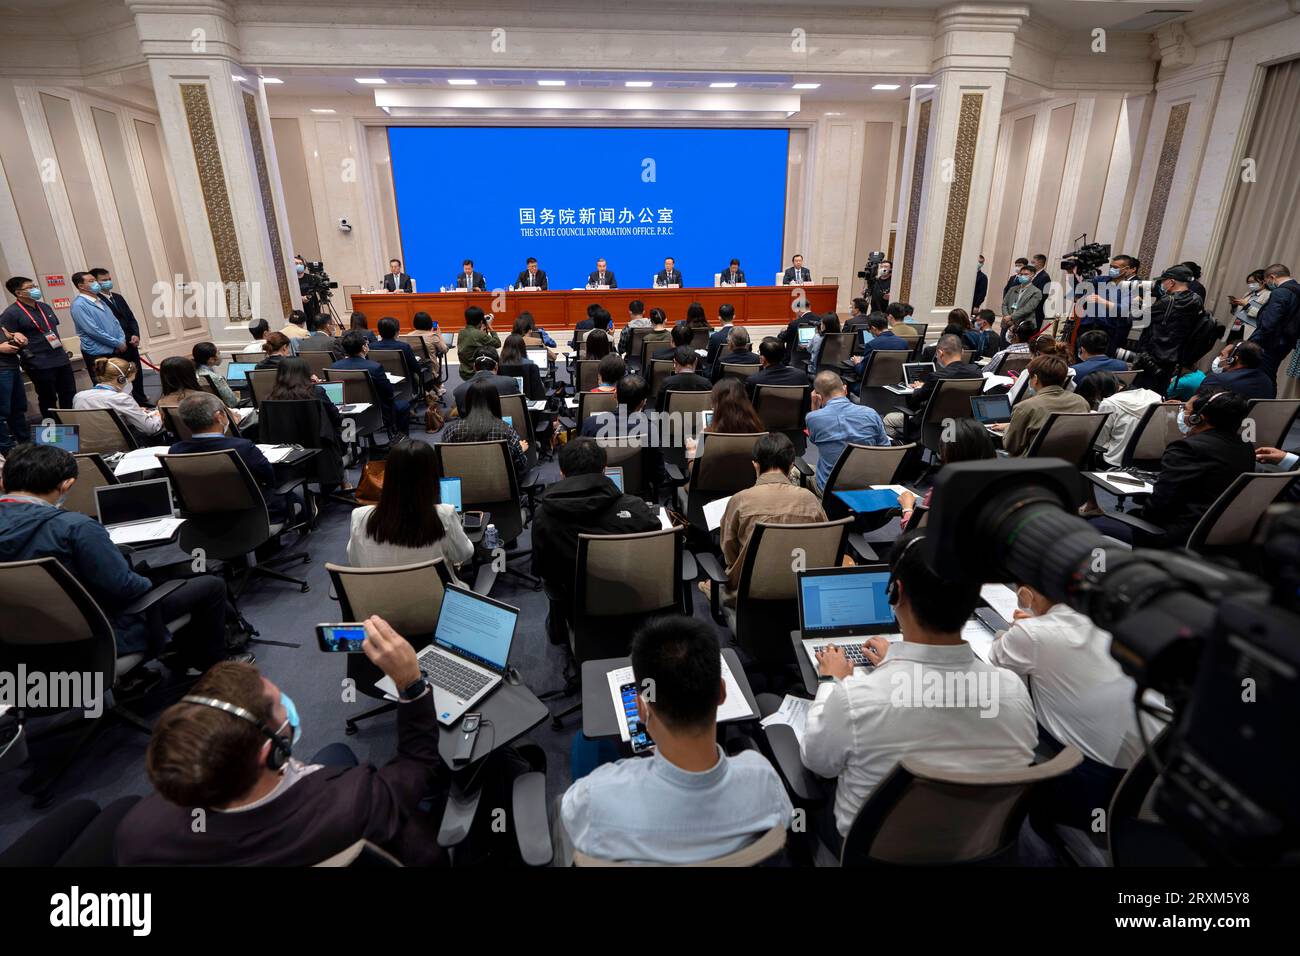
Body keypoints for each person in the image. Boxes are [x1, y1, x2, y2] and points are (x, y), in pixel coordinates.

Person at [114, 618, 444, 866]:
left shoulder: (137, 833)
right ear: (266, 753)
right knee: (339, 755)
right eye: (277, 703)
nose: (287, 702)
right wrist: (411, 684)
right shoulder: (358, 799)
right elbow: (417, 763)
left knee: (337, 753)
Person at [797, 530, 1037, 850]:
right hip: (976, 850)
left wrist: (832, 682)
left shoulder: (855, 698)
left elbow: (816, 761)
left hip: (874, 853)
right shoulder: (1013, 691)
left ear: (896, 593)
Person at [558, 615, 791, 865]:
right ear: (721, 693)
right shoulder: (766, 782)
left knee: (585, 744)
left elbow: (571, 827)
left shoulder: (593, 799)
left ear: (642, 709)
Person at [0, 442, 237, 670]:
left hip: (15, 641)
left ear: (4, 482)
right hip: (99, 634)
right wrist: (151, 581)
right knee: (209, 585)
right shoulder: (75, 527)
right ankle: (215, 665)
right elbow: (126, 589)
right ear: (66, 485)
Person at [988, 584, 1156, 830]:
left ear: (1025, 595)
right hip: (1147, 777)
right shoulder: (1112, 618)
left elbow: (997, 655)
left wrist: (1017, 630)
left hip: (1091, 787)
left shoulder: (1032, 633)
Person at [1089, 386, 1255, 546]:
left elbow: (1158, 509)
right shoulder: (1246, 447)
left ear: (1198, 418)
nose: (1182, 413)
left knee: (1094, 524)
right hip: (1219, 534)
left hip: (1176, 535)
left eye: (1186, 410)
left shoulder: (1186, 449)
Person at [531, 438, 659, 644]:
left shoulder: (543, 517)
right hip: (634, 602)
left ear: (562, 474)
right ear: (605, 469)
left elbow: (544, 571)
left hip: (577, 608)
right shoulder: (637, 509)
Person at [718, 433, 825, 604]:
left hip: (751, 593)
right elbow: (823, 545)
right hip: (802, 591)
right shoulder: (810, 500)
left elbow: (730, 553)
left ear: (755, 465)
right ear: (791, 467)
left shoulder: (740, 500)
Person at [347, 438, 473, 579]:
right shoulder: (444, 515)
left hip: (379, 599)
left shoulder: (359, 516)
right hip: (438, 599)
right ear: (432, 478)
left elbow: (355, 562)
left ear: (388, 476)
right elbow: (463, 554)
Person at [169, 393, 289, 520]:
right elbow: (269, 476)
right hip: (248, 515)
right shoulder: (242, 447)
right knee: (294, 496)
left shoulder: (176, 450)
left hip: (201, 517)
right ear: (219, 416)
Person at [898, 418, 996, 529]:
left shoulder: (944, 491)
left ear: (948, 452)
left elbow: (914, 530)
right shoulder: (1004, 484)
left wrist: (907, 508)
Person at [3, 276, 76, 418]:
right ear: (18, 293)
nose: (35, 289)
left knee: (69, 394)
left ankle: (72, 429)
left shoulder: (44, 307)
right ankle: (54, 436)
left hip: (60, 358)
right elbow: (8, 338)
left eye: (34, 285)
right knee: (48, 399)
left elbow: (53, 331)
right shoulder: (11, 313)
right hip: (38, 363)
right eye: (30, 287)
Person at [883, 334, 982, 440]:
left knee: (887, 420)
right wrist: (927, 386)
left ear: (940, 352)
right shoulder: (976, 371)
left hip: (930, 424)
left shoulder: (936, 377)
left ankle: (905, 448)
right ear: (962, 352)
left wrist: (920, 388)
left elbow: (914, 401)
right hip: (963, 424)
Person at [991, 355, 1090, 456]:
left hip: (1031, 466)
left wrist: (1009, 428)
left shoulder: (1026, 407)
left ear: (1035, 379)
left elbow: (1011, 447)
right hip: (1069, 464)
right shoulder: (1081, 402)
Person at [807, 370, 888, 489]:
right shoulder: (871, 413)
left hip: (831, 489)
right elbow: (885, 448)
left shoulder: (813, 418)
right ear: (845, 389)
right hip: (867, 486)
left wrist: (815, 407)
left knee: (794, 471)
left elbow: (815, 440)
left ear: (818, 396)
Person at [1132, 264, 1204, 397]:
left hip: (1153, 355)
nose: (1161, 284)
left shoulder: (1167, 301)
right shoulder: (1196, 299)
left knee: (1141, 394)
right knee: (1159, 393)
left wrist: (1138, 301)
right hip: (1174, 355)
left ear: (1171, 282)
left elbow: (1139, 318)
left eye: (1163, 281)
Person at [441, 378, 529, 478]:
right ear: (495, 401)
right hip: (500, 487)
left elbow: (445, 464)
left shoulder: (452, 430)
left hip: (463, 488)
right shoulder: (506, 430)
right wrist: (520, 449)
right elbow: (521, 465)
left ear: (468, 401)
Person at [1075, 370, 1161, 468]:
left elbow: (1099, 442)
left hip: (1115, 461)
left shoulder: (1110, 403)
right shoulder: (1155, 396)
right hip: (1152, 461)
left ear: (1097, 392)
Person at [332, 330, 410, 434]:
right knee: (403, 405)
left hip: (347, 415)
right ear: (364, 348)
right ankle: (402, 440)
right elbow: (389, 393)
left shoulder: (335, 367)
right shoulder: (374, 367)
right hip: (376, 414)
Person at [74, 356, 163, 439]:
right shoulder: (122, 399)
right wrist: (158, 415)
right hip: (118, 447)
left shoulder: (79, 397)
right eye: (130, 381)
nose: (130, 385)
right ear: (121, 379)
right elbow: (151, 428)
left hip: (85, 448)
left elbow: (100, 421)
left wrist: (136, 410)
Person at [70, 271, 126, 372]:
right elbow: (93, 331)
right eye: (91, 281)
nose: (96, 283)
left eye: (95, 280)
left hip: (114, 349)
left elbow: (115, 322)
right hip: (97, 353)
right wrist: (117, 343)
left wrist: (121, 340)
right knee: (106, 385)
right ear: (81, 286)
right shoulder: (79, 305)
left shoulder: (101, 301)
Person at [1253, 263, 1300, 383]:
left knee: (1264, 375)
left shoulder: (1280, 292)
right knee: (1269, 372)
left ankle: (1264, 400)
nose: (1267, 284)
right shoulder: (1297, 289)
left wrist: (1253, 342)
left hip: (1271, 342)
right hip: (1287, 342)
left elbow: (1269, 323)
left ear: (1272, 277)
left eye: (1266, 280)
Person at [848, 312, 910, 384]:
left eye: (869, 329)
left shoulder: (871, 345)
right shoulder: (903, 343)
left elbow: (863, 372)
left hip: (871, 388)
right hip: (894, 385)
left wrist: (857, 363)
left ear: (874, 328)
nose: (869, 332)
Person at [1202, 340, 1275, 400]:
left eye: (1221, 355)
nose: (1219, 358)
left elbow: (1194, 406)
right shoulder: (1267, 382)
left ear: (1233, 359)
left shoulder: (1216, 380)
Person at [451, 352, 518, 416]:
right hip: (505, 425)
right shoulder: (511, 382)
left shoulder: (459, 391)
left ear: (474, 367)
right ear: (496, 366)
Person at [0, 318, 29, 453]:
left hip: (11, 366)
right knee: (1, 414)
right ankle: (8, 451)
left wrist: (14, 335)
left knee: (18, 410)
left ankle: (26, 447)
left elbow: (4, 334)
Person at [657, 346, 712, 411]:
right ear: (696, 362)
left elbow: (659, 409)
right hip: (698, 420)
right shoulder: (706, 383)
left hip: (671, 420)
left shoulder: (666, 383)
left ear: (675, 362)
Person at [370, 316, 421, 384]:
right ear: (397, 332)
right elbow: (416, 368)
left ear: (379, 332)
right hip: (404, 385)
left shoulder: (371, 347)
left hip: (381, 385)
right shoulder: (404, 346)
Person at [455, 306, 501, 381]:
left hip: (464, 371)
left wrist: (481, 330)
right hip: (474, 372)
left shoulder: (461, 332)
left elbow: (474, 340)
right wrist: (489, 326)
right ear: (480, 321)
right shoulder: (479, 335)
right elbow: (497, 343)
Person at [498, 333, 546, 400]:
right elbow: (538, 389)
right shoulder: (531, 365)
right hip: (528, 402)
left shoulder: (498, 366)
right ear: (523, 347)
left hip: (504, 403)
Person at [192, 342, 241, 407]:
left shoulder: (192, 373)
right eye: (218, 353)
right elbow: (232, 402)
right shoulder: (215, 378)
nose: (220, 355)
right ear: (211, 359)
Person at [1227, 268, 1269, 339]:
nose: (1250, 285)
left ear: (1263, 281)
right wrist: (1234, 306)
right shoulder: (1248, 294)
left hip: (1249, 330)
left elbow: (1263, 315)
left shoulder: (1268, 295)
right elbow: (1237, 313)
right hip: (1236, 326)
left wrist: (1246, 305)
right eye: (1248, 283)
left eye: (1253, 282)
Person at [1000, 262, 1042, 329]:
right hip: (1006, 323)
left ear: (1033, 275)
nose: (1022, 276)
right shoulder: (1012, 289)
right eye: (1021, 274)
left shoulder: (1036, 292)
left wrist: (1011, 317)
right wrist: (1006, 316)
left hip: (1022, 326)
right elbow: (1004, 304)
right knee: (1002, 339)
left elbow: (1028, 309)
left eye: (1026, 274)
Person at [703, 303, 737, 374]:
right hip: (740, 372)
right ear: (734, 317)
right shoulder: (744, 335)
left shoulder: (715, 337)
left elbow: (710, 360)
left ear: (719, 318)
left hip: (719, 374)